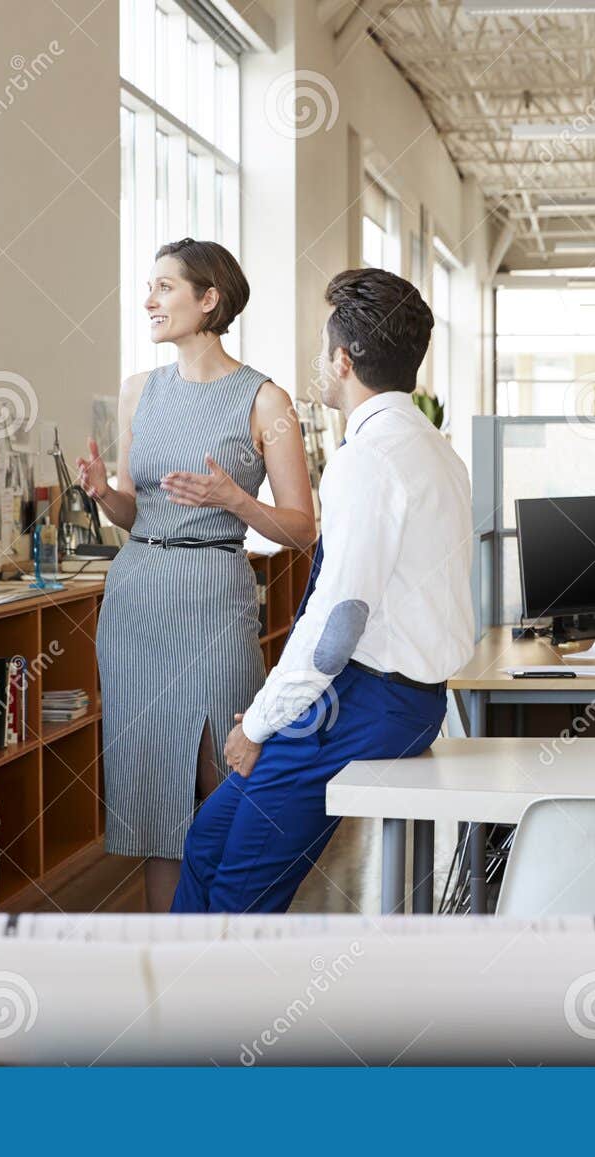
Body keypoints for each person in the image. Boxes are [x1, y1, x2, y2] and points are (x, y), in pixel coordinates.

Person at [173, 268, 474, 914]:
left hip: (369, 699)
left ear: (341, 360)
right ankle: (179, 1002)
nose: (318, 359)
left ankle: (206, 1010)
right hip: (398, 697)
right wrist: (281, 710)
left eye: (321, 346)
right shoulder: (433, 448)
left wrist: (258, 724)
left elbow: (338, 625)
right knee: (209, 837)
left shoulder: (368, 461)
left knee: (237, 888)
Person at [78, 239, 316, 912]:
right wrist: (103, 494)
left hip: (213, 596)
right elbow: (135, 508)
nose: (149, 300)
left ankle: (228, 945)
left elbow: (302, 526)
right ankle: (168, 962)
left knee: (226, 781)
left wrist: (235, 500)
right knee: (157, 802)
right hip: (137, 600)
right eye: (148, 287)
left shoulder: (266, 401)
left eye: (165, 287)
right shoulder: (138, 391)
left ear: (209, 299)